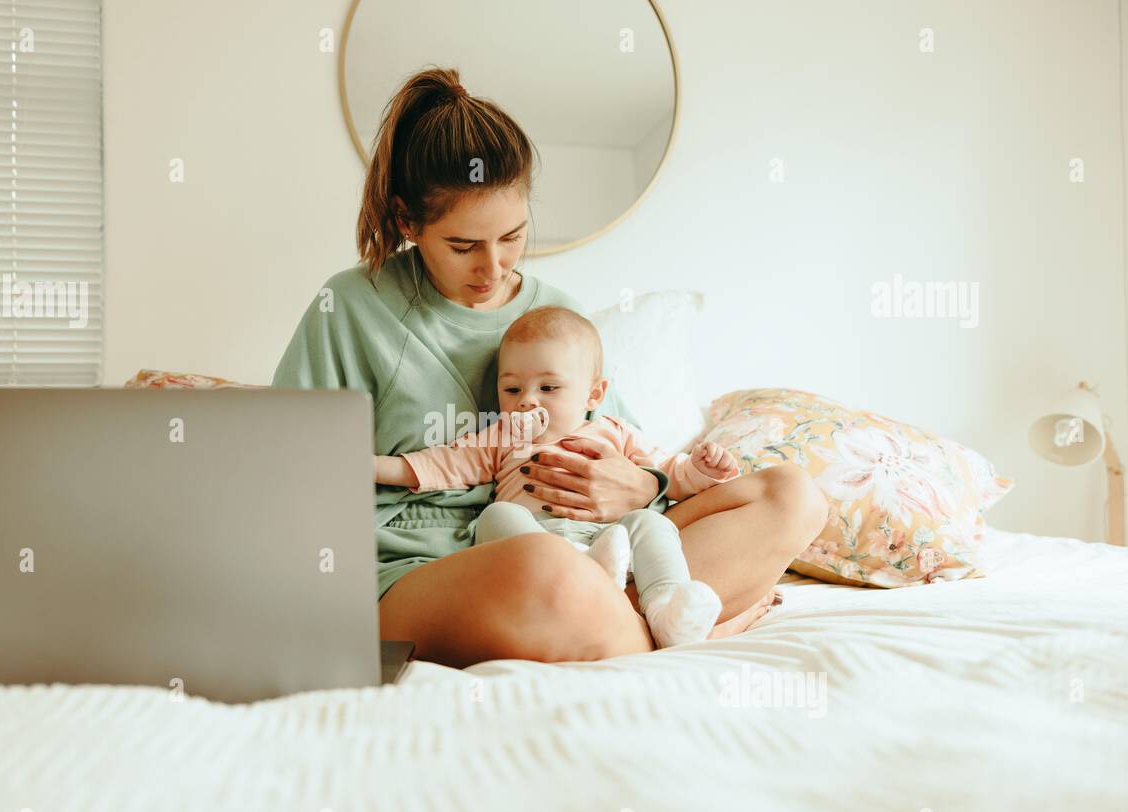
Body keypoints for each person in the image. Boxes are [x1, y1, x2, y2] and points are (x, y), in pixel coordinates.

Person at [272, 67, 827, 667]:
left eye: (512, 236)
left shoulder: (558, 313)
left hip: (595, 547)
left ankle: (622, 618)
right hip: (426, 571)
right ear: (408, 222)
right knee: (544, 569)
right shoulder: (351, 308)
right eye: (464, 246)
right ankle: (708, 623)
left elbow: (623, 452)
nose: (494, 266)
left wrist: (643, 485)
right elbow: (289, 473)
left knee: (792, 495)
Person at [374, 305, 741, 648]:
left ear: (594, 394)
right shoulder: (503, 435)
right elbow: (440, 464)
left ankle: (667, 608)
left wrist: (701, 470)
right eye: (512, 389)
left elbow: (670, 474)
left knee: (650, 522)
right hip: (535, 549)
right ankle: (580, 573)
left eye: (548, 388)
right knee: (497, 516)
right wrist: (371, 466)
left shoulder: (615, 432)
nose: (527, 400)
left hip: (611, 544)